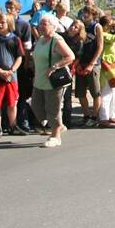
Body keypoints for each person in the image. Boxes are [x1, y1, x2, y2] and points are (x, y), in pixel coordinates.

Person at [31, 15, 74, 148]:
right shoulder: (41, 39)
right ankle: (58, 125)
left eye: (44, 24)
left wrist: (55, 66)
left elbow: (70, 56)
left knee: (53, 109)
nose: (40, 26)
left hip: (53, 82)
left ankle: (55, 136)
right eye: (40, 24)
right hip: (39, 80)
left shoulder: (56, 40)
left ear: (53, 26)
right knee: (36, 106)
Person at [0, 13, 27, 138]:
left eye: (3, 22)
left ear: (9, 24)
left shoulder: (15, 39)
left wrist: (12, 70)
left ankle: (13, 125)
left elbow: (19, 57)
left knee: (12, 103)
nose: (0, 25)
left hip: (12, 77)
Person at [97, 16, 115, 126]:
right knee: (106, 92)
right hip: (106, 66)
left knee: (114, 91)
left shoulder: (108, 34)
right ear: (105, 25)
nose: (112, 25)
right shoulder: (103, 35)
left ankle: (111, 115)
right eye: (110, 23)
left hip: (113, 65)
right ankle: (103, 118)